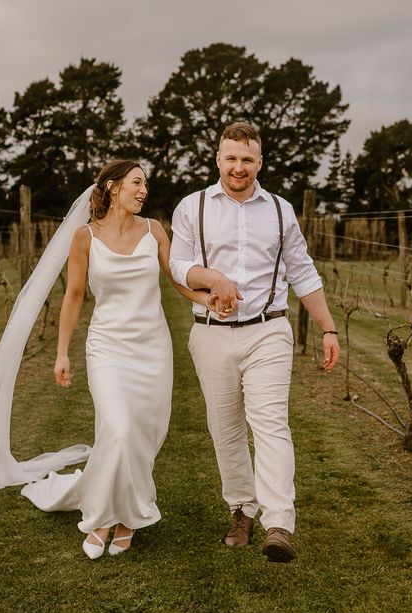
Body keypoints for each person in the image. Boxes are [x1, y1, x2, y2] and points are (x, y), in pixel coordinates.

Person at [20, 160, 219, 559]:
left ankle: (128, 518)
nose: (144, 190)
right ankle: (100, 518)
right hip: (107, 346)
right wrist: (62, 353)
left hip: (153, 348)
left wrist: (205, 298)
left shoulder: (155, 230)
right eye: (136, 183)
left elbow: (177, 280)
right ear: (112, 187)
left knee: (142, 437)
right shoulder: (84, 238)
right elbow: (75, 295)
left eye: (146, 184)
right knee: (119, 427)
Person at [168, 121, 340, 563]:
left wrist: (327, 328)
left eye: (247, 159)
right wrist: (213, 279)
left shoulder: (281, 211)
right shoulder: (193, 207)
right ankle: (242, 509)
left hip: (269, 330)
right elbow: (178, 265)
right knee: (225, 429)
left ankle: (279, 523)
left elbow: (302, 271)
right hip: (211, 335)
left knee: (270, 424)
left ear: (260, 161)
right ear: (218, 159)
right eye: (231, 158)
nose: (238, 167)